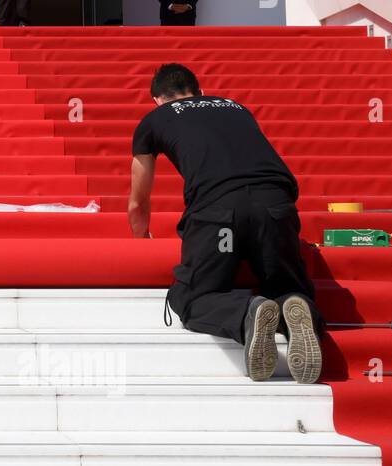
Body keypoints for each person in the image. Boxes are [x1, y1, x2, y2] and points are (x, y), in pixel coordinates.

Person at [127, 64, 323, 383]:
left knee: (193, 296)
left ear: (156, 100)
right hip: (276, 204)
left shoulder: (154, 119)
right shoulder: (236, 107)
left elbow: (138, 201)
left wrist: (141, 240)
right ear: (201, 91)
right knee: (290, 285)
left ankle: (245, 312)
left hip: (218, 212)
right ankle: (295, 304)